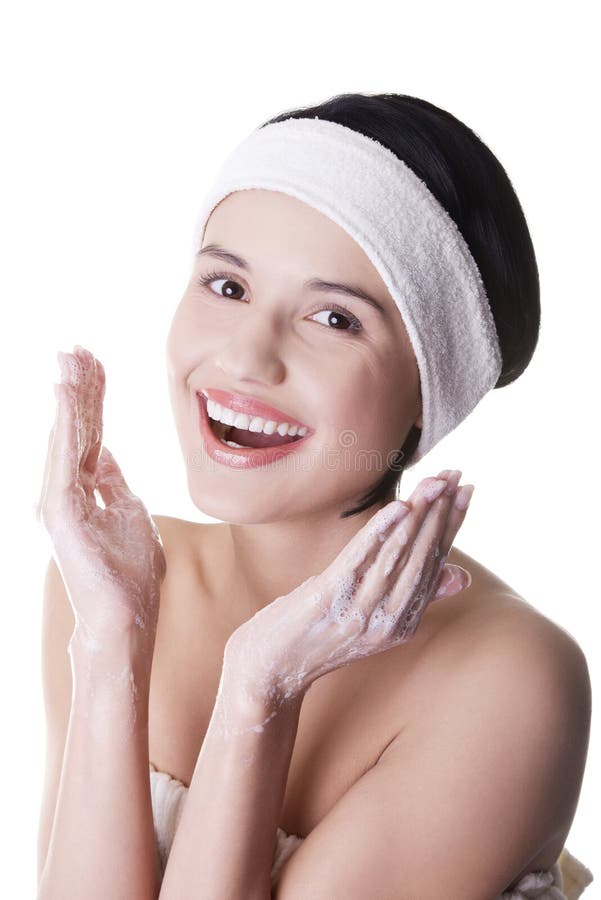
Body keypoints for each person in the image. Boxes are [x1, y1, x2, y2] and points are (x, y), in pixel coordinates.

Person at [36, 93, 593, 899]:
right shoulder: (110, 588)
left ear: (426, 397)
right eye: (226, 286)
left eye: (334, 318)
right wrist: (112, 644)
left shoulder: (511, 682)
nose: (246, 358)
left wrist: (261, 686)